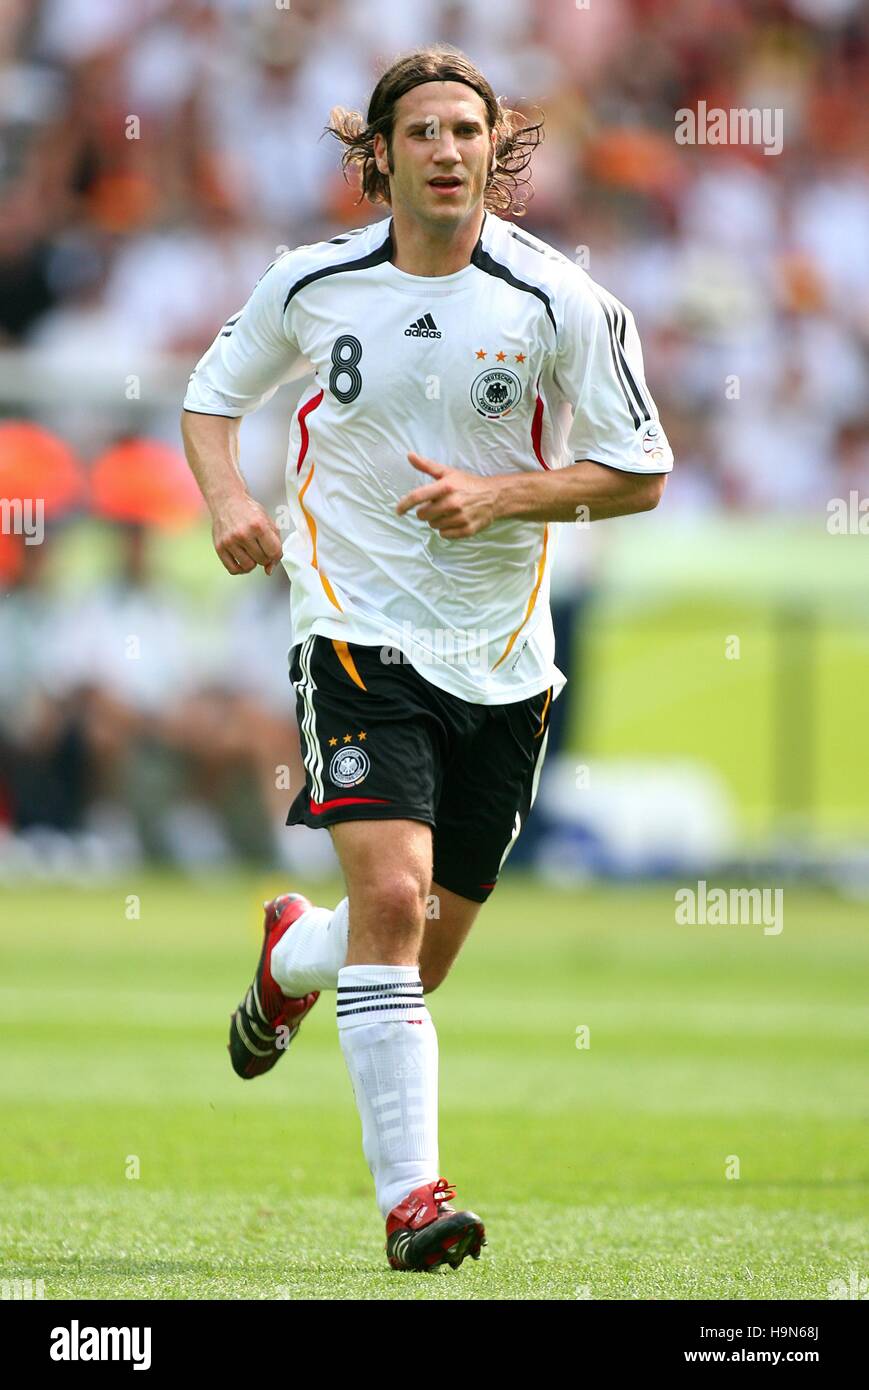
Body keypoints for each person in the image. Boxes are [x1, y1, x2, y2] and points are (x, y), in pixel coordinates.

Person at [180, 45, 672, 1273]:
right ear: (381, 156)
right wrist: (229, 503)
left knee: (417, 948)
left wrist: (503, 497)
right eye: (422, 133)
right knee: (392, 904)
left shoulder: (562, 301)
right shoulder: (311, 283)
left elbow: (640, 473)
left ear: (493, 154)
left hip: (502, 660)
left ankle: (293, 954)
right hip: (350, 629)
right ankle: (414, 1203)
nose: (446, 151)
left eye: (467, 131)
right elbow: (207, 397)